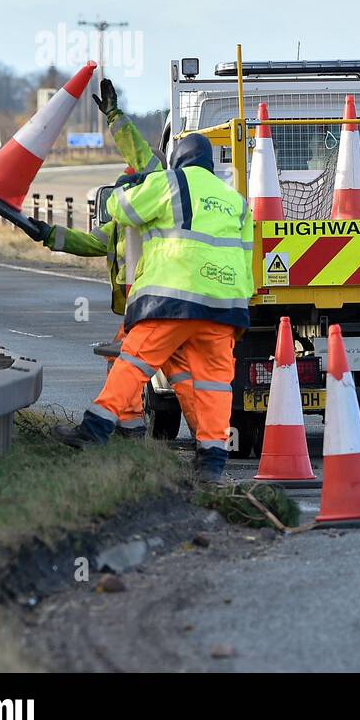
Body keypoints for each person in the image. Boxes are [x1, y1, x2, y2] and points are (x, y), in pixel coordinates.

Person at [52, 133, 253, 483]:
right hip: (225, 306)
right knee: (216, 385)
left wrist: (122, 190)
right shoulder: (236, 201)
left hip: (173, 297)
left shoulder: (169, 183)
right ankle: (211, 464)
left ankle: (95, 429)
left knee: (133, 361)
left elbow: (123, 209)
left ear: (178, 159)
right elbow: (247, 256)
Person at [18, 80, 199, 438]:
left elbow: (142, 159)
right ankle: (148, 429)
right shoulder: (120, 225)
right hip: (151, 308)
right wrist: (46, 234)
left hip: (159, 305)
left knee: (139, 362)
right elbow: (88, 241)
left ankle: (195, 437)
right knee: (144, 364)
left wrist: (115, 117)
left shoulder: (158, 205)